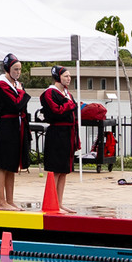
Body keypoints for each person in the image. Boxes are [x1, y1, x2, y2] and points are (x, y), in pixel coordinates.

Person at [0, 55, 30, 211]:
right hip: (6, 125)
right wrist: (21, 93)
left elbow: (22, 105)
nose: (18, 72)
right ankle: (1, 201)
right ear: (8, 69)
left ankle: (10, 200)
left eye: (20, 69)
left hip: (16, 126)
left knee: (12, 165)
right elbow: (16, 105)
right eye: (15, 69)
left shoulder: (16, 85)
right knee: (3, 164)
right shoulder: (1, 85)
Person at [41, 66, 80, 214]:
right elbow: (56, 111)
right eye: (65, 76)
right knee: (56, 170)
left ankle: (60, 202)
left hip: (67, 133)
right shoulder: (49, 93)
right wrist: (70, 104)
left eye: (69, 76)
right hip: (57, 133)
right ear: (58, 77)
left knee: (64, 170)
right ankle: (53, 202)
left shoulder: (67, 93)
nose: (69, 79)